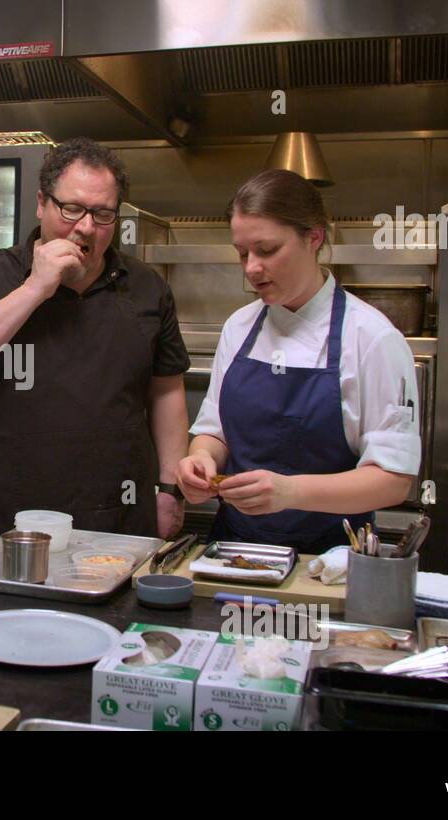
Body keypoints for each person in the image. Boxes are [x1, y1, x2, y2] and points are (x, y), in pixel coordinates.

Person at [0, 138, 190, 538]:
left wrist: (170, 490)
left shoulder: (146, 286)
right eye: (71, 209)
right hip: (6, 516)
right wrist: (34, 288)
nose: (86, 227)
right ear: (41, 203)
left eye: (103, 214)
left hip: (118, 514)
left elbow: (166, 390)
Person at [177, 169, 421, 551]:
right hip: (234, 549)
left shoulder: (372, 338)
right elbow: (215, 431)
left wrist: (290, 491)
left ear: (314, 237)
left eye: (267, 250)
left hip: (330, 557)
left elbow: (393, 479)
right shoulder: (238, 328)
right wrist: (200, 460)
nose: (251, 268)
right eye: (242, 253)